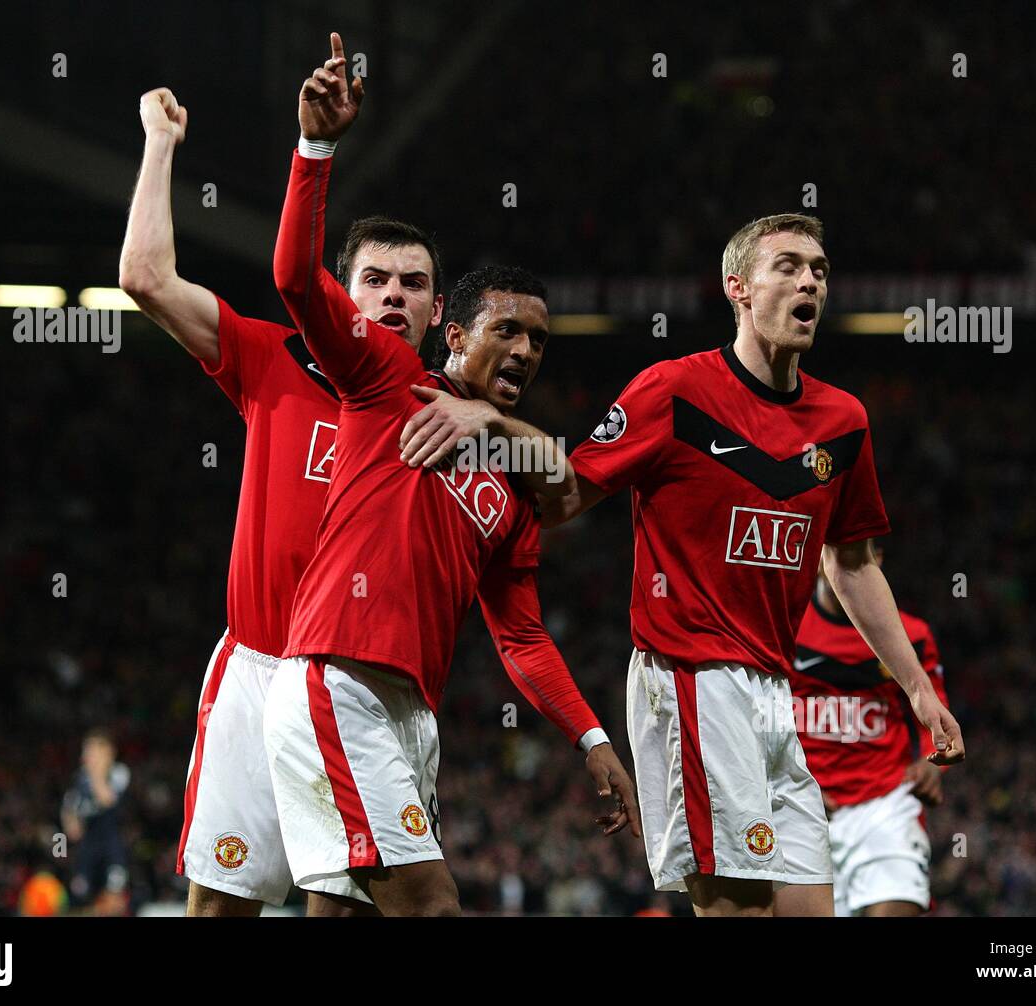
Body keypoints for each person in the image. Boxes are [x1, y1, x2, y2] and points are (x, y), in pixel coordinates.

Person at [263, 32, 639, 916]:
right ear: (452, 333)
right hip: (338, 678)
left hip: (410, 715)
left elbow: (522, 638)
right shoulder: (386, 380)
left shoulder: (508, 482)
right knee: (433, 906)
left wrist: (591, 738)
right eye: (506, 330)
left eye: (540, 341)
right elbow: (293, 278)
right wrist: (316, 149)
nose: (525, 350)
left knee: (343, 913)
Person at [544, 213, 965, 916]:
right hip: (691, 678)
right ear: (737, 287)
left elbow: (853, 564)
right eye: (790, 266)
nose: (810, 281)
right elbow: (563, 498)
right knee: (738, 911)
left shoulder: (843, 421)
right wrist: (487, 431)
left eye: (821, 270)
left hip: (777, 694)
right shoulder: (672, 392)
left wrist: (920, 690)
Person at [118, 83, 443, 917]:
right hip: (260, 670)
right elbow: (146, 278)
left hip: (362, 687)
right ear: (343, 293)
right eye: (376, 281)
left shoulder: (445, 419)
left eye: (414, 284)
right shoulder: (272, 358)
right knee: (221, 907)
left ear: (440, 313)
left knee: (343, 910)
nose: (395, 297)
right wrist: (160, 143)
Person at [788, 543, 952, 916]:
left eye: (870, 551)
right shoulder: (784, 628)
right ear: (816, 558)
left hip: (885, 803)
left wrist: (932, 761)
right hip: (803, 806)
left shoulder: (912, 634)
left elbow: (932, 712)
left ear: (878, 560)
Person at [60, 729, 130, 914]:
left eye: (90, 751)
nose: (85, 756)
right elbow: (70, 813)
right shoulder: (79, 779)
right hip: (88, 849)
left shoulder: (119, 772)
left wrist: (95, 772)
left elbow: (107, 799)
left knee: (114, 897)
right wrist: (71, 823)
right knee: (80, 896)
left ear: (107, 752)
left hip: (113, 847)